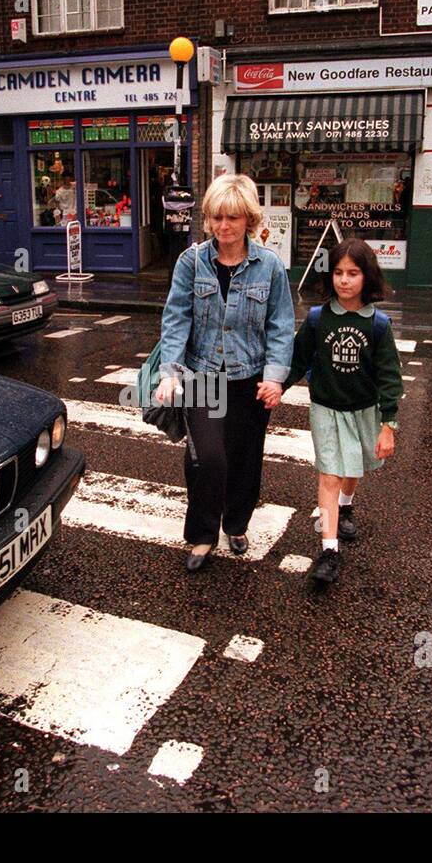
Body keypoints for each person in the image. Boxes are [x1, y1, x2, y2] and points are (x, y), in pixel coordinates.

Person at [155, 174, 295, 572]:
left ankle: (236, 523)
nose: (223, 226)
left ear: (248, 219)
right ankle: (202, 536)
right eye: (217, 217)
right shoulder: (191, 261)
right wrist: (170, 372)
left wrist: (274, 376)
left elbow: (281, 325)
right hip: (201, 375)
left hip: (250, 378)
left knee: (244, 458)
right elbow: (176, 318)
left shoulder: (269, 267)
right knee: (208, 459)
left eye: (232, 217)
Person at [282, 238, 403, 586]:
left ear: (367, 277)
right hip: (326, 408)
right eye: (338, 272)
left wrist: (388, 425)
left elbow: (389, 377)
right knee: (329, 475)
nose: (344, 280)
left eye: (353, 273)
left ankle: (347, 505)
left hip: (363, 409)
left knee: (354, 466)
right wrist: (278, 387)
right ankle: (329, 551)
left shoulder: (378, 325)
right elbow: (298, 358)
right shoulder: (319, 319)